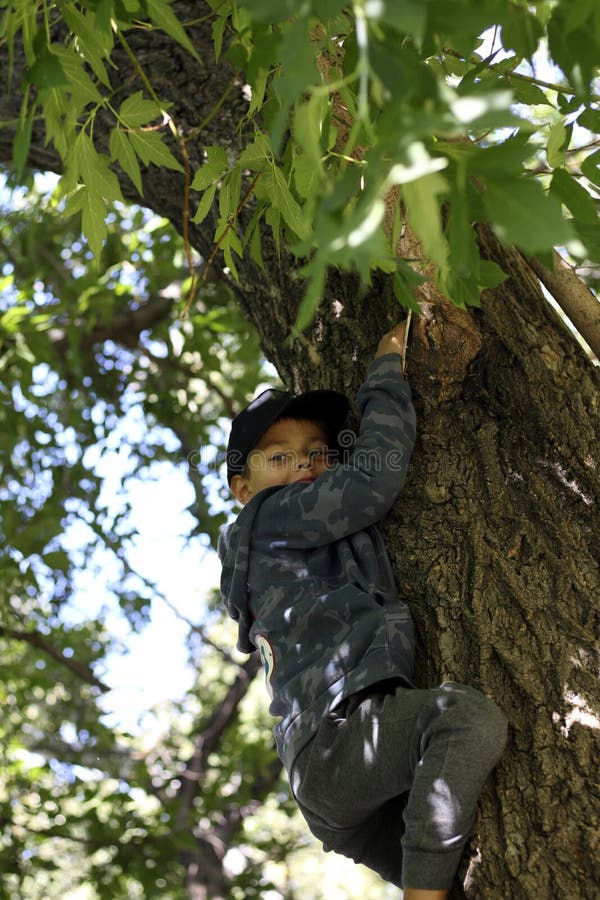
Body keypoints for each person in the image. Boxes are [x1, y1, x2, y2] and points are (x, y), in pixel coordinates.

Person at [218, 323, 508, 899]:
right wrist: (387, 370)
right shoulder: (268, 519)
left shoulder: (300, 532)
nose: (304, 466)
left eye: (318, 454)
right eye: (280, 457)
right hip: (339, 738)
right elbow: (373, 479)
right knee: (463, 720)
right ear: (241, 488)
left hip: (334, 774)